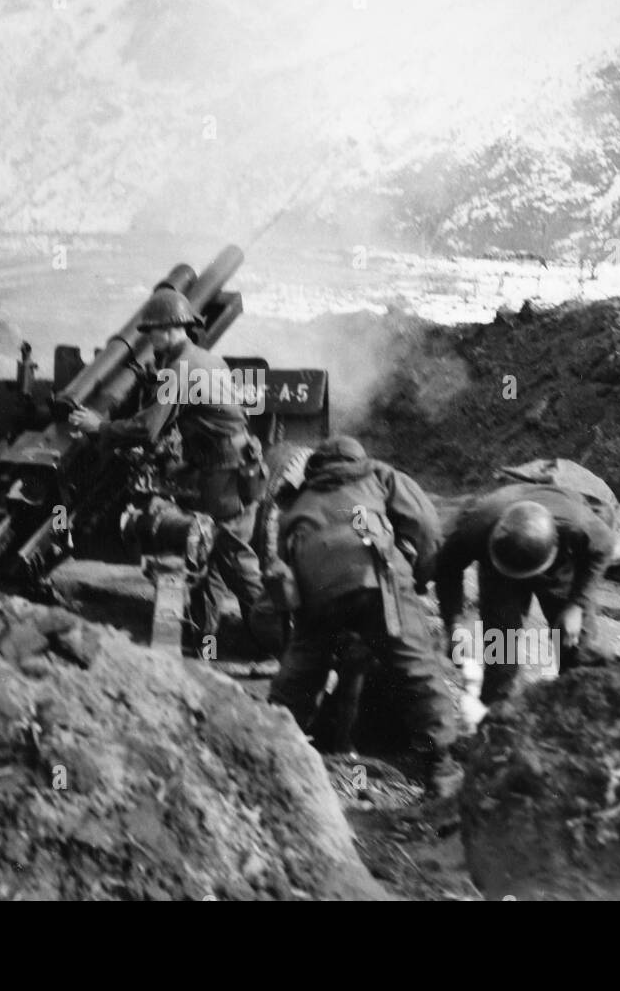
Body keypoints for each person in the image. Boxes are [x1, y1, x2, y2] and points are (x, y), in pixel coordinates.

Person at [68, 287, 266, 639]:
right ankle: (202, 636)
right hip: (238, 466)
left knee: (232, 557)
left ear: (172, 329)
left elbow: (147, 429)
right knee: (215, 552)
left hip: (225, 473)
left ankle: (274, 639)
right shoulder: (207, 359)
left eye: (154, 331)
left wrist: (99, 426)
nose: (150, 338)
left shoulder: (180, 369)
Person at [266, 436, 461, 794]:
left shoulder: (298, 504)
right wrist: (419, 578)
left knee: (300, 675)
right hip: (379, 580)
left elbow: (283, 565)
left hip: (316, 590)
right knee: (416, 668)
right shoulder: (380, 475)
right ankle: (441, 769)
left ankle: (269, 753)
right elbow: (425, 526)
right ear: (358, 458)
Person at [435, 483, 617, 705]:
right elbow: (446, 568)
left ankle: (580, 712)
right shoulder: (475, 527)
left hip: (559, 569)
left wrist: (576, 605)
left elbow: (604, 547)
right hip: (500, 574)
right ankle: (499, 720)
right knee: (501, 656)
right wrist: (454, 624)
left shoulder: (578, 524)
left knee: (578, 649)